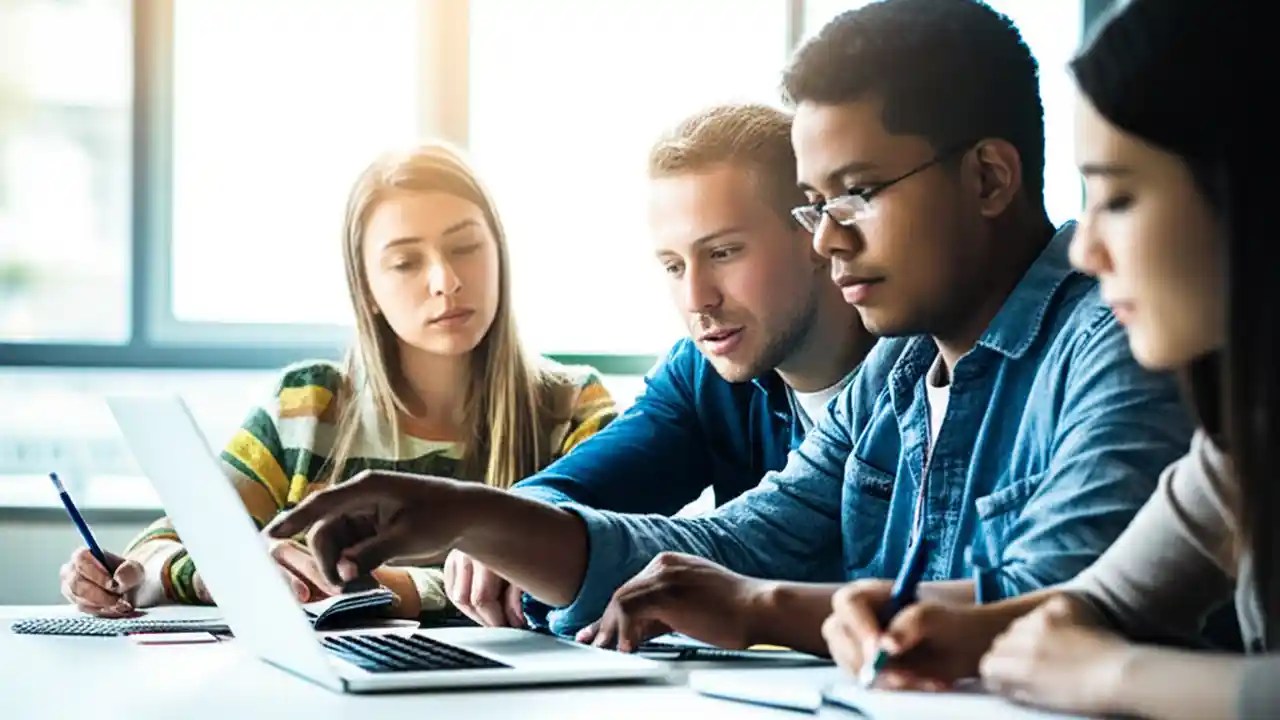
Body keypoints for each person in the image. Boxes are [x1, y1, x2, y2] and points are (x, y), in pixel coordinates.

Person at [265, 0, 1193, 654]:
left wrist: (762, 609)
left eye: (857, 195)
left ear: (990, 179)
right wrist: (471, 510)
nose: (828, 238)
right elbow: (738, 545)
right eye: (815, 203)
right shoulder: (903, 373)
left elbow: (1055, 607)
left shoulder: (1116, 337)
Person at [820, 2, 1269, 717]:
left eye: (1118, 198)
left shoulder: (1096, 342)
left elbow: (1096, 652)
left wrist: (1113, 676)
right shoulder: (1239, 447)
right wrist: (950, 625)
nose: (1086, 250)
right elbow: (1095, 604)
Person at [57, 142, 617, 619]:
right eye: (404, 263)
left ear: (500, 254)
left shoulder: (572, 408)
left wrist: (390, 589)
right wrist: (215, 575)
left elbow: (612, 566)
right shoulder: (308, 406)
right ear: (367, 289)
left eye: (465, 247)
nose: (445, 281)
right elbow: (163, 547)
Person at [444, 103, 872, 629]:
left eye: (724, 253)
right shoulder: (701, 372)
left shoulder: (917, 370)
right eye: (673, 265)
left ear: (814, 230)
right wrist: (505, 525)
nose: (696, 299)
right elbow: (574, 487)